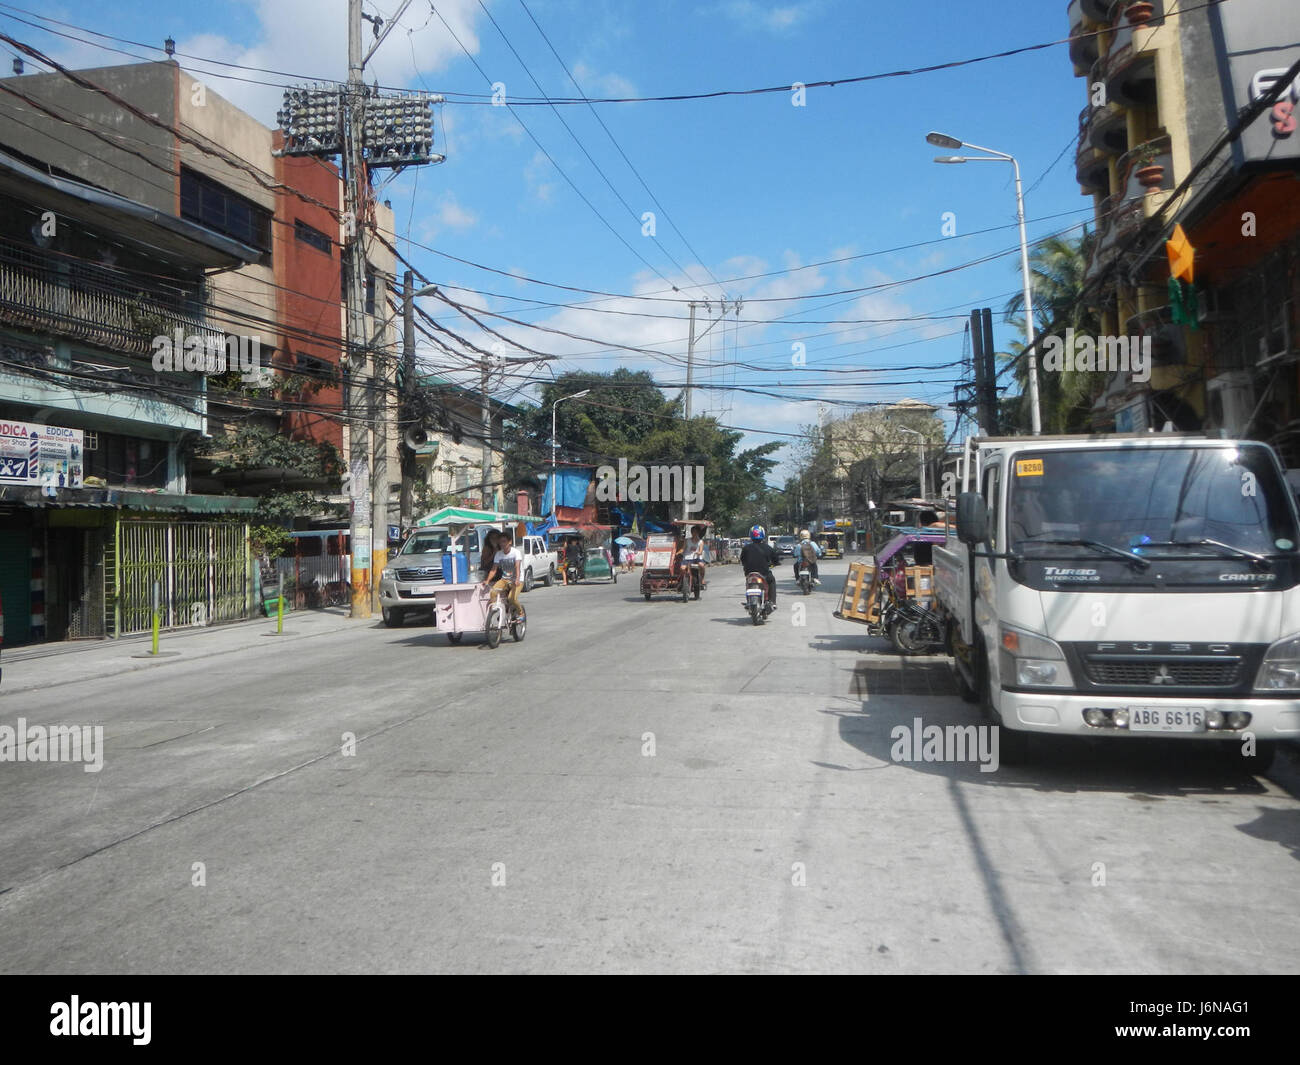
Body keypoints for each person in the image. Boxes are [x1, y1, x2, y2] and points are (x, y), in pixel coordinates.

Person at [481, 529, 523, 619]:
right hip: (504, 579)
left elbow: (517, 567)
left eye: (504, 542)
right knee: (493, 593)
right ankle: (500, 609)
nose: (502, 544)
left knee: (511, 599)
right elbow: (493, 569)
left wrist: (517, 579)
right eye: (500, 542)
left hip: (517, 579)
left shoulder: (516, 552)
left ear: (510, 542)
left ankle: (521, 613)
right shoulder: (498, 554)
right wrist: (487, 580)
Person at [739, 524, 781, 609]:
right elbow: (776, 559)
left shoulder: (746, 548)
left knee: (748, 583)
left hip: (749, 573)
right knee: (772, 581)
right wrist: (776, 563)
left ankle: (749, 601)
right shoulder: (768, 548)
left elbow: (742, 560)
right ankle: (772, 602)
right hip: (764, 573)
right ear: (763, 535)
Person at [684, 524, 710, 590]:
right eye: (693, 532)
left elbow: (700, 551)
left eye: (695, 532)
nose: (694, 534)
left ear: (698, 533)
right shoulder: (687, 540)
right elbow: (683, 548)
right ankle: (684, 580)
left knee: (701, 565)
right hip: (687, 558)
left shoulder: (700, 542)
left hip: (697, 558)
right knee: (682, 568)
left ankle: (702, 579)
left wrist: (697, 552)